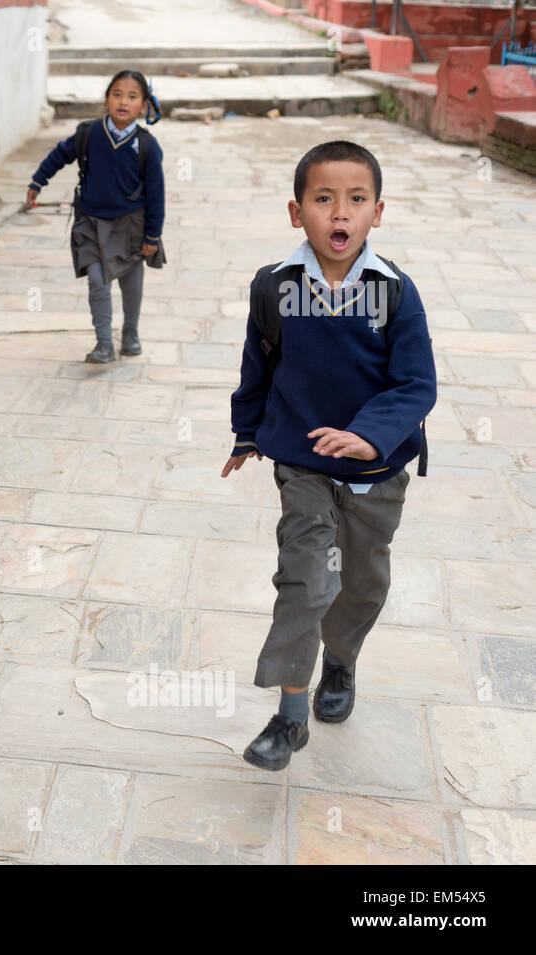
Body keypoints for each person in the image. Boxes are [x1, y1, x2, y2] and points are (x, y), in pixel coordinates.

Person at [221, 141, 436, 770]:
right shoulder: (274, 287)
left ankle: (339, 666)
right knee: (307, 580)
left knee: (361, 584)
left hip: (376, 473)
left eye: (356, 200)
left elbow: (416, 383)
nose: (339, 213)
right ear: (297, 213)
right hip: (304, 466)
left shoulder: (395, 292)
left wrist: (371, 434)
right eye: (323, 200)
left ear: (377, 212)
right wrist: (246, 431)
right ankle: (289, 718)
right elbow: (258, 361)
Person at [27, 69, 166, 363]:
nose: (123, 102)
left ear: (143, 106)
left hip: (130, 226)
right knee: (97, 280)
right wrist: (38, 181)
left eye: (132, 96)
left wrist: (152, 236)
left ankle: (130, 331)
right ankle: (104, 342)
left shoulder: (147, 146)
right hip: (89, 222)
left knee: (131, 284)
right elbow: (58, 155)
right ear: (106, 100)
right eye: (116, 94)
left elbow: (156, 194)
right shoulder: (88, 134)